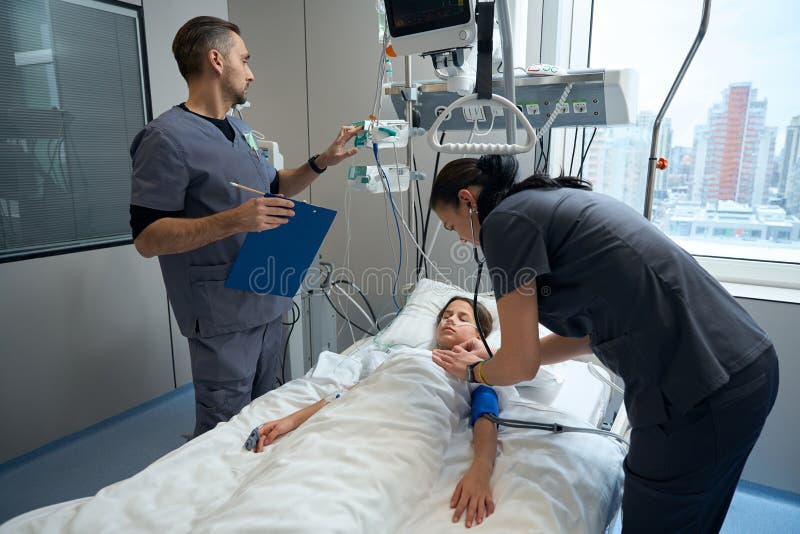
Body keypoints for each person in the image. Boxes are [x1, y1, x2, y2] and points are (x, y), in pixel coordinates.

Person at [428, 155, 780, 533]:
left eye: (452, 227)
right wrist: (498, 357)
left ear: (468, 200)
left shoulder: (504, 223)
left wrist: (473, 370)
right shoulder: (549, 201)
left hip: (695, 390)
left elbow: (521, 366)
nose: (463, 239)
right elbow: (587, 338)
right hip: (747, 366)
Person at [129, 16, 361, 437]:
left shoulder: (240, 129)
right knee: (222, 432)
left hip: (265, 297)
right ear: (216, 60)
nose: (251, 72)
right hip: (221, 315)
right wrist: (233, 220)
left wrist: (322, 161)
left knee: (263, 417)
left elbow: (275, 186)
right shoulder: (165, 139)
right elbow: (147, 239)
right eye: (245, 59)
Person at [252, 297, 500, 529]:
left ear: (480, 334)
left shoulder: (478, 370)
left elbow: (486, 414)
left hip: (401, 434)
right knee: (289, 484)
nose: (450, 320)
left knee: (341, 506)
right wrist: (291, 420)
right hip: (352, 419)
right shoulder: (402, 355)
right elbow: (351, 392)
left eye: (462, 318)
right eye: (446, 315)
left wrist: (481, 468)